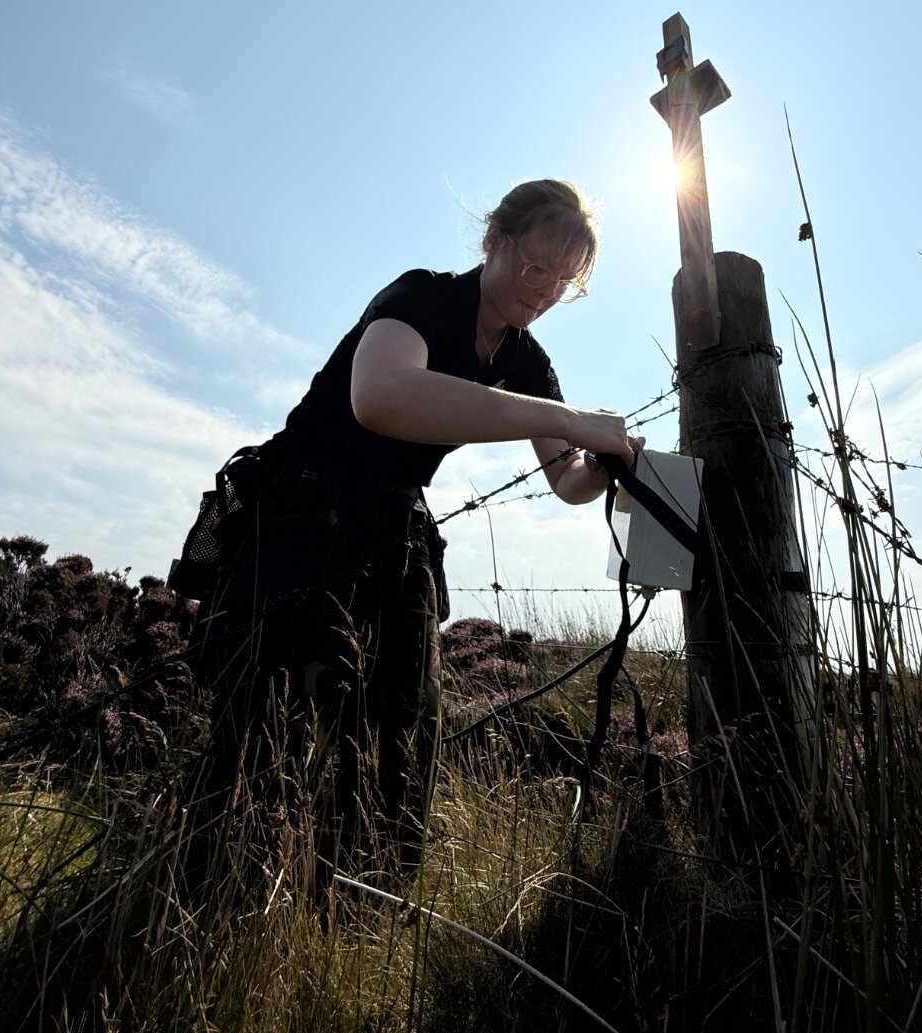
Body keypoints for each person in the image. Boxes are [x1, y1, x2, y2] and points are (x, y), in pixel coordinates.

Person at [177, 178, 642, 897]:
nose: (544, 290)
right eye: (534, 267)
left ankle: (364, 900)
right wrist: (571, 419)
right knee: (270, 711)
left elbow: (565, 480)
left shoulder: (526, 362)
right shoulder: (421, 297)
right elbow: (381, 396)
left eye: (563, 281)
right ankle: (210, 883)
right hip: (300, 511)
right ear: (494, 241)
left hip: (393, 526)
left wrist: (608, 464)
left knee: (403, 722)